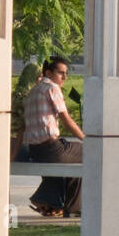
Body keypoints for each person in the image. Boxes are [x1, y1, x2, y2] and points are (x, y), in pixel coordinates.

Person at [23, 56, 85, 218]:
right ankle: (68, 207)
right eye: (60, 73)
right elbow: (66, 121)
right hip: (51, 148)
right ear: (48, 73)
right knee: (88, 152)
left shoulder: (33, 92)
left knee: (72, 164)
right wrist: (88, 140)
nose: (64, 77)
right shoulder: (52, 88)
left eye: (66, 74)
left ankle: (53, 204)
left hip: (36, 150)